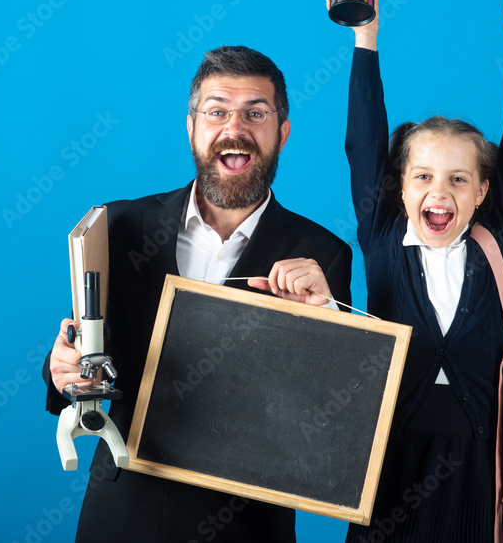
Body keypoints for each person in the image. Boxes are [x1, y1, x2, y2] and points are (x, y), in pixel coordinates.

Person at [42, 45, 353, 543]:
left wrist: (326, 321)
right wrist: (61, 369)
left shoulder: (323, 255)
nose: (235, 128)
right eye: (217, 112)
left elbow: (331, 414)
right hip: (123, 515)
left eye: (255, 113)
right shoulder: (118, 226)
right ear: (191, 127)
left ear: (283, 133)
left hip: (247, 526)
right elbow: (82, 350)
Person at [331, 0, 503, 542]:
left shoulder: (500, 237)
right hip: (392, 453)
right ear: (398, 187)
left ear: (482, 192)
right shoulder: (382, 235)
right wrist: (366, 34)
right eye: (423, 177)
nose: (439, 193)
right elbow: (363, 141)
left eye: (458, 179)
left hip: (480, 455)